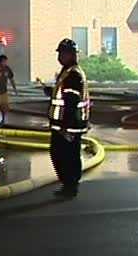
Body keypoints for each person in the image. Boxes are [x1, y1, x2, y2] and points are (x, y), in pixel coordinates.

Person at [47, 38, 90, 198]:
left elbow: (71, 102)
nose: (60, 57)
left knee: (65, 155)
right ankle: (69, 185)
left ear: (70, 55)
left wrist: (65, 126)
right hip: (67, 125)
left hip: (68, 125)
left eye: (62, 54)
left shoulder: (72, 74)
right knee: (66, 154)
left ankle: (70, 186)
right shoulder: (68, 72)